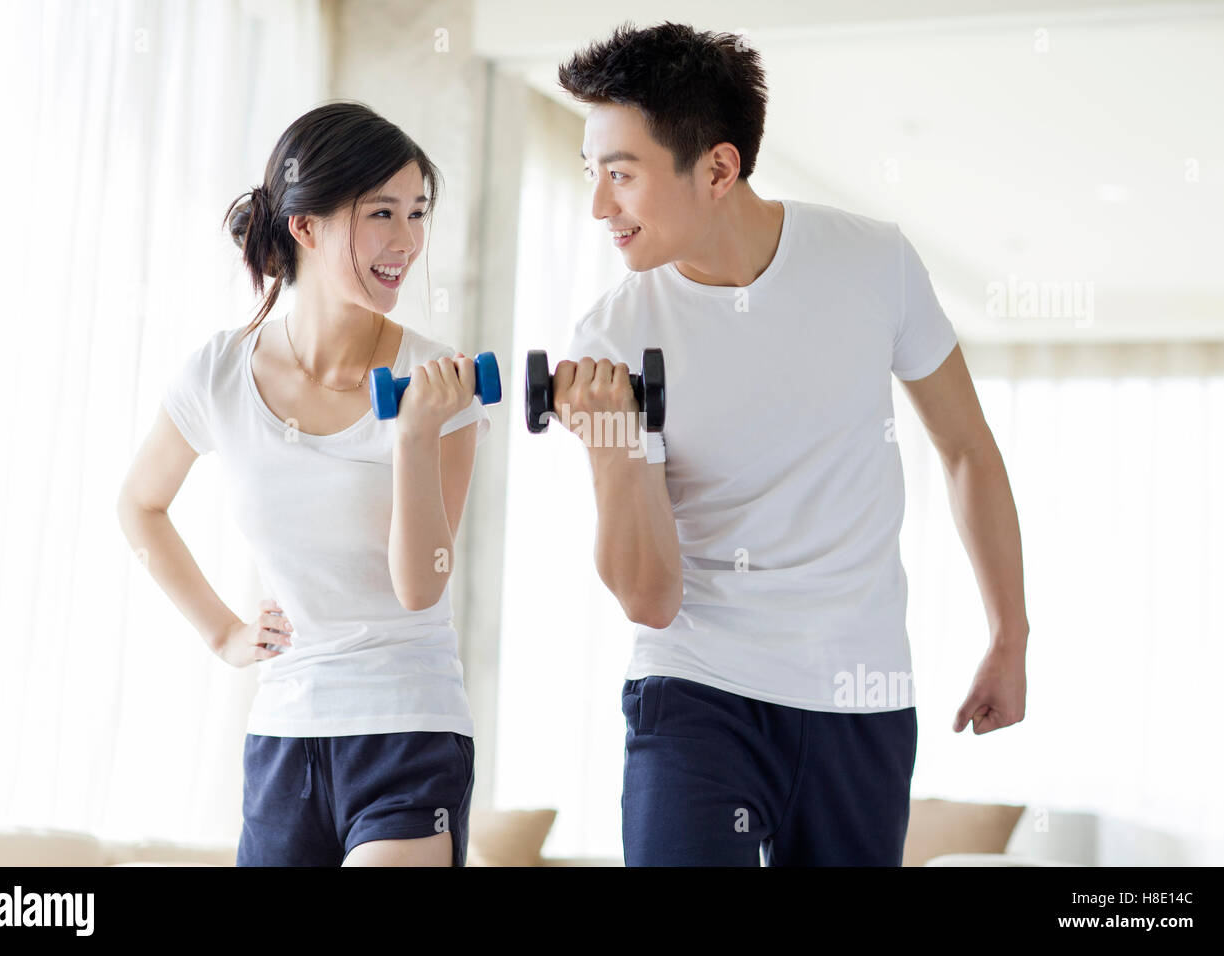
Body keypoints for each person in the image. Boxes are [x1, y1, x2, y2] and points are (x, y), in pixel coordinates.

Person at [551, 22, 1029, 866]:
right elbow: (648, 601)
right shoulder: (612, 334)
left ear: (719, 169)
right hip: (694, 689)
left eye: (620, 175)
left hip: (860, 694)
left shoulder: (873, 263)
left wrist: (1009, 636)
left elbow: (966, 448)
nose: (598, 206)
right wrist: (613, 445)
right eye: (593, 173)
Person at [116, 102, 489, 867]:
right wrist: (223, 631)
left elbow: (423, 587)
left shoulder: (440, 383)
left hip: (409, 728)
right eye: (381, 212)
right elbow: (140, 505)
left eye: (417, 213)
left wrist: (416, 436)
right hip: (285, 734)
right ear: (306, 226)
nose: (407, 241)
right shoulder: (220, 373)